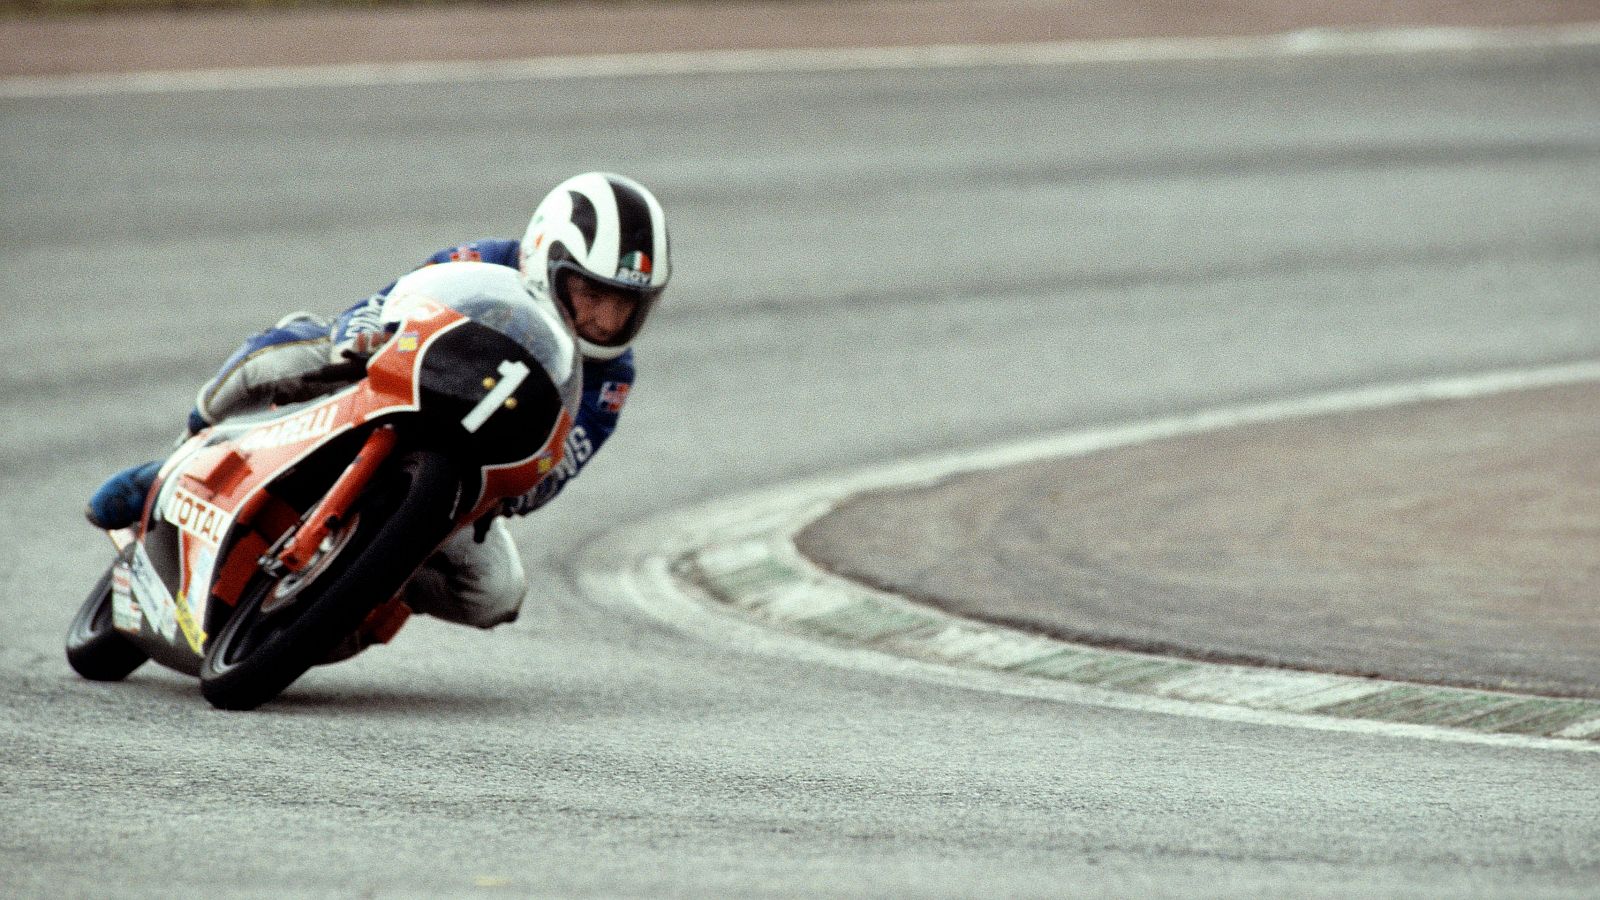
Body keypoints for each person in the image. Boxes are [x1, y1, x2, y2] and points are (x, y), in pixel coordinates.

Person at [86, 171, 671, 631]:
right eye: (590, 292)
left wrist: (516, 487)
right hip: (390, 386)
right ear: (548, 256)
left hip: (471, 474)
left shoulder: (611, 376)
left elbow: (558, 467)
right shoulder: (486, 260)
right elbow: (392, 301)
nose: (601, 317)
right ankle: (167, 469)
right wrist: (361, 336)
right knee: (297, 354)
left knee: (499, 596)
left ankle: (371, 582)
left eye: (621, 304)